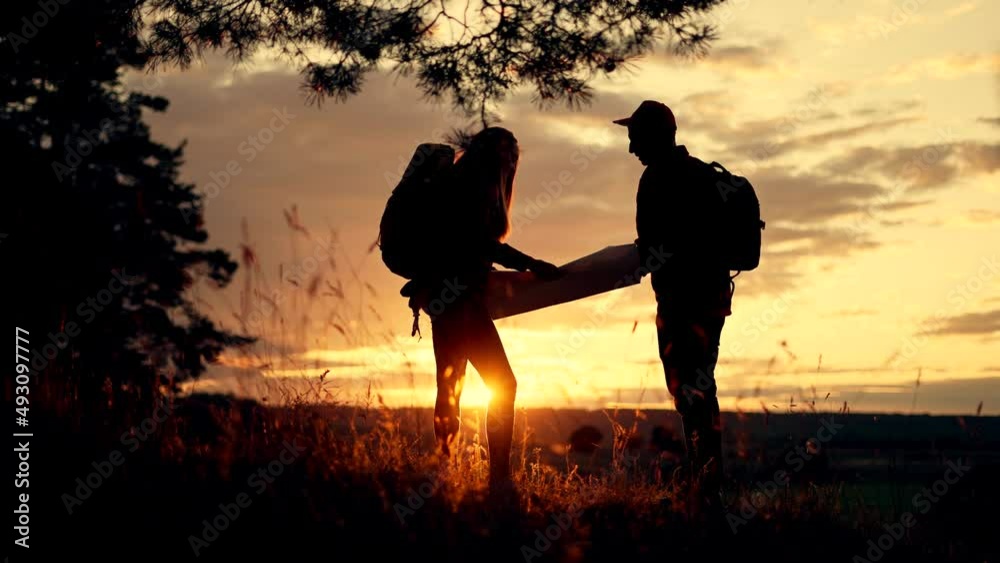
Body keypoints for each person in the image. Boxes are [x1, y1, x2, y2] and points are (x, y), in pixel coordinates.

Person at [402, 127, 560, 496]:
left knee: (451, 385)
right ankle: (499, 481)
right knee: (503, 384)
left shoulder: (453, 180)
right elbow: (483, 245)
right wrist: (533, 264)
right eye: (508, 158)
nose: (510, 165)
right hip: (458, 302)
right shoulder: (471, 185)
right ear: (496, 157)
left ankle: (442, 472)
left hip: (438, 298)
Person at [613, 101, 734, 510]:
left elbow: (652, 251)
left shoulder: (656, 179)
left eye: (634, 138)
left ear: (654, 136)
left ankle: (705, 483)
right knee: (703, 384)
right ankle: (708, 478)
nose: (632, 148)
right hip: (714, 298)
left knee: (688, 389)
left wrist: (621, 265)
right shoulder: (703, 174)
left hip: (681, 302)